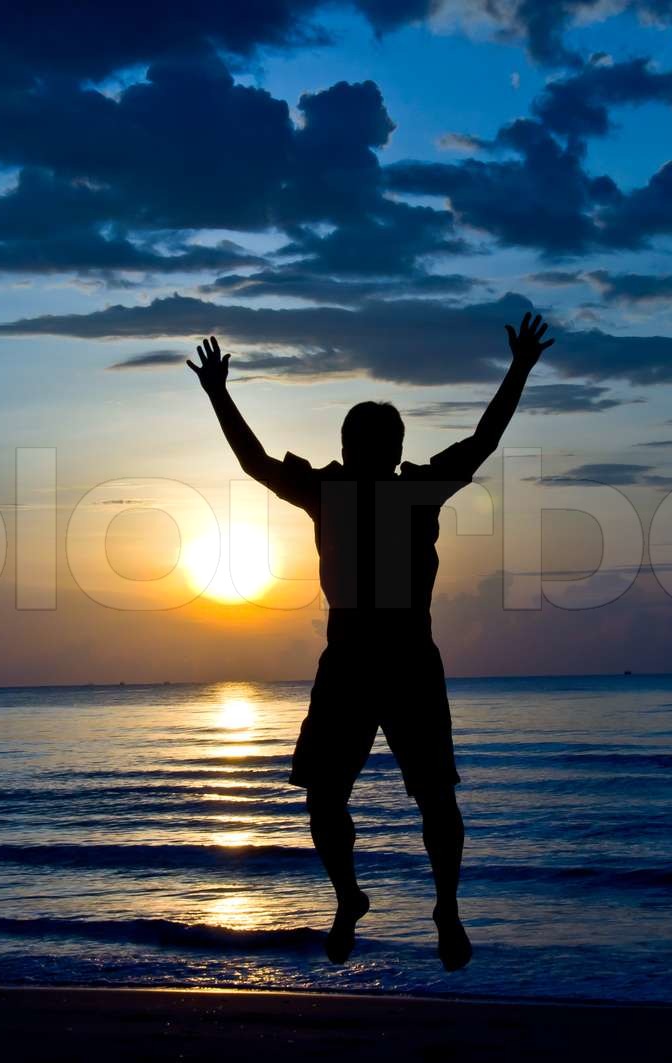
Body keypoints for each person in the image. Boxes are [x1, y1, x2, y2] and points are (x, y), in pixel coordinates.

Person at [188, 313, 553, 971]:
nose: (367, 451)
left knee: (428, 794)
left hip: (403, 659)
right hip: (358, 661)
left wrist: (520, 368)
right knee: (332, 795)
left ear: (374, 447)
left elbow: (483, 439)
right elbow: (256, 463)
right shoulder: (349, 489)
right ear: (358, 447)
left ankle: (444, 906)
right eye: (366, 442)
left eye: (372, 442)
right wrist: (217, 394)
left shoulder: (405, 489)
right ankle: (352, 896)